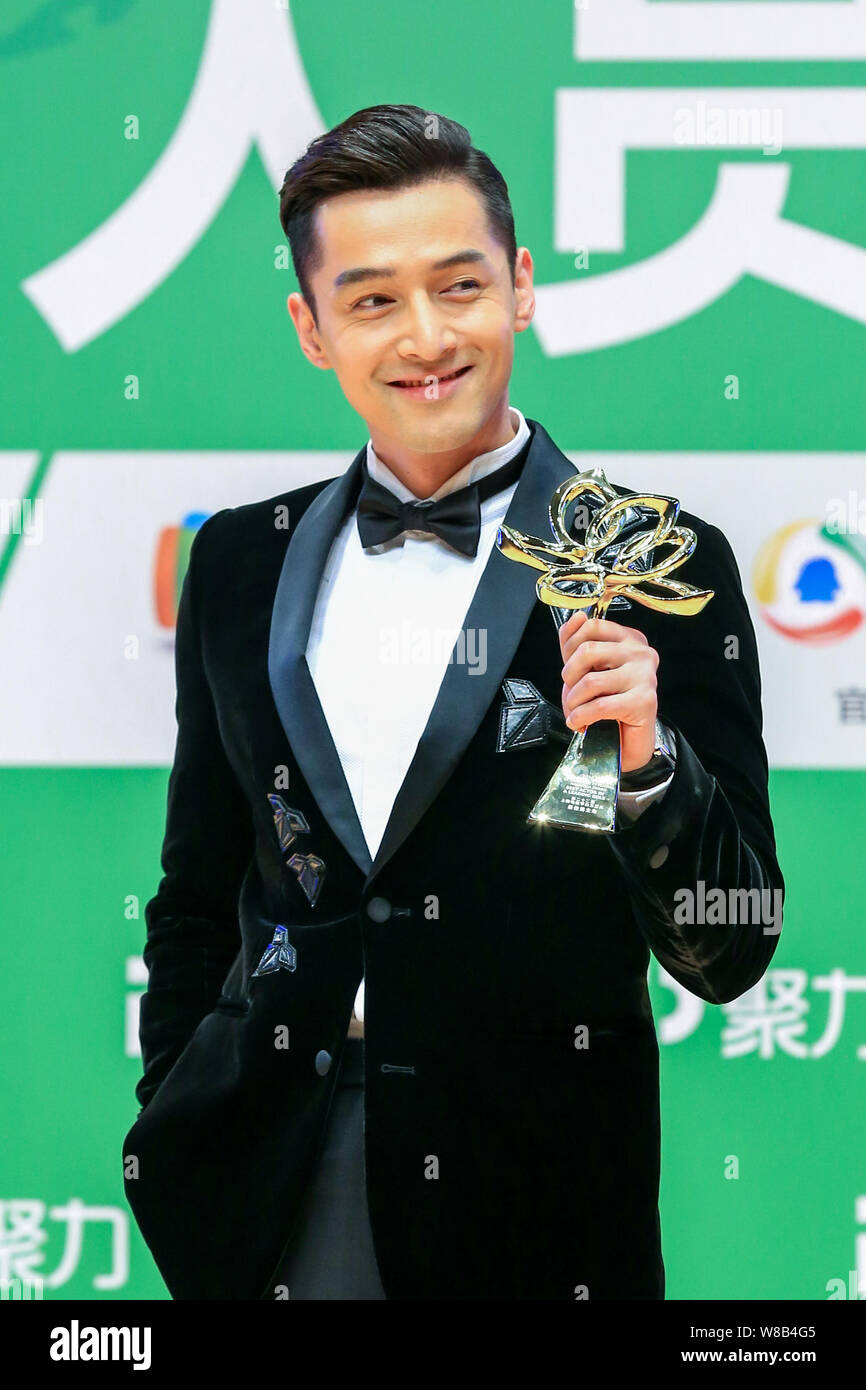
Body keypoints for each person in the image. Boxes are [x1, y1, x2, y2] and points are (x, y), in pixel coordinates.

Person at [122, 104, 784, 1301]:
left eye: (458, 285)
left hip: (535, 1199)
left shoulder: (660, 560)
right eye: (371, 298)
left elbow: (733, 938)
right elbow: (199, 889)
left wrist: (646, 766)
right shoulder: (237, 562)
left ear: (520, 285)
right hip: (270, 1177)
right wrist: (176, 1109)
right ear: (311, 327)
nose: (425, 336)